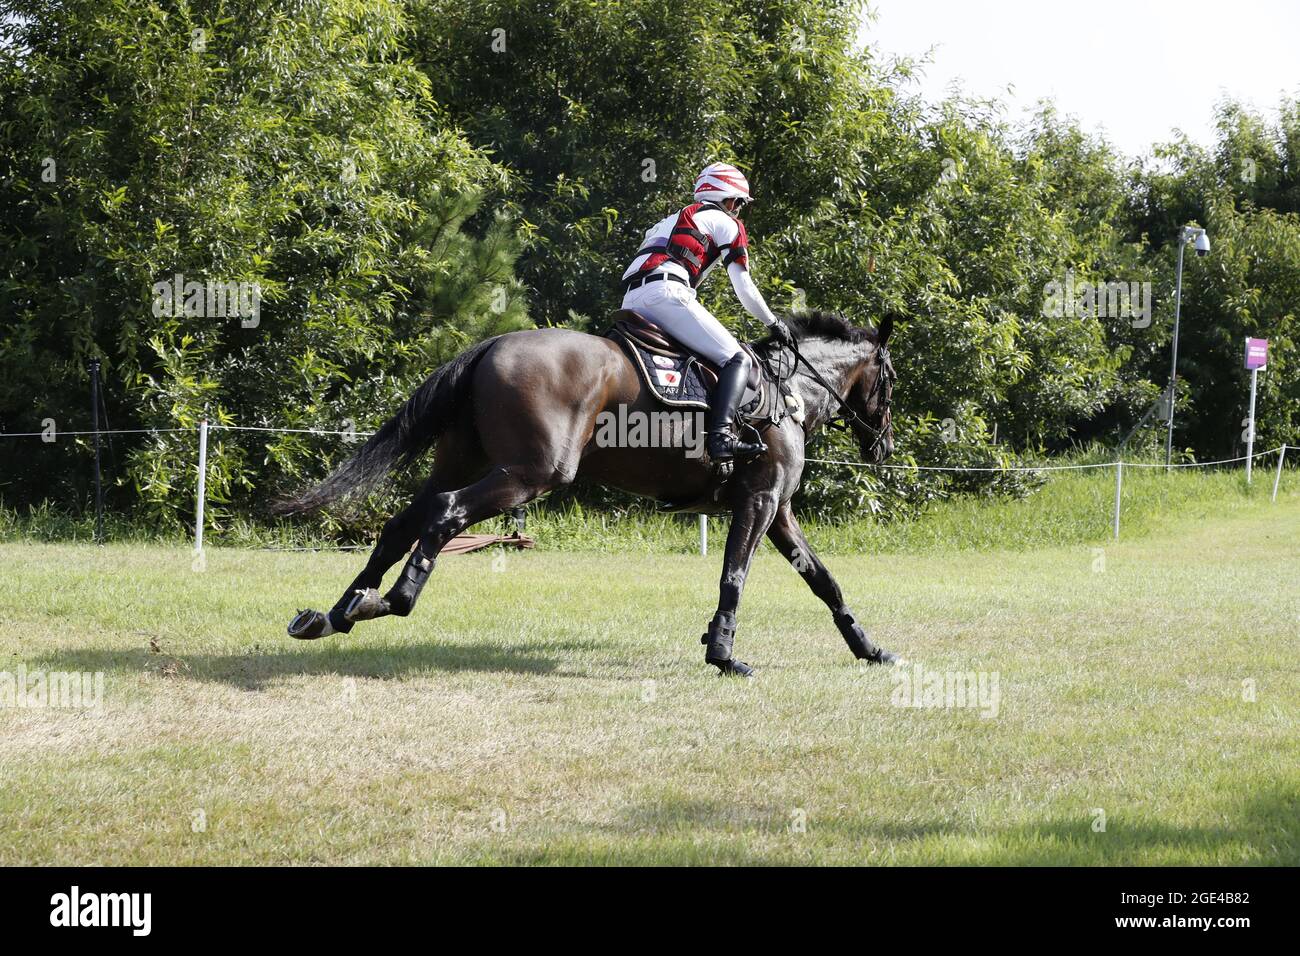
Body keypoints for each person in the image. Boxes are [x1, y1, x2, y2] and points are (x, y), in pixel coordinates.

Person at [620, 162, 794, 461]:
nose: (738, 210)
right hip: (666, 295)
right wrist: (772, 321)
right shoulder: (727, 223)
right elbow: (743, 286)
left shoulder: (668, 220)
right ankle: (720, 438)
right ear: (728, 198)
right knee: (736, 358)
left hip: (630, 299)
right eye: (738, 202)